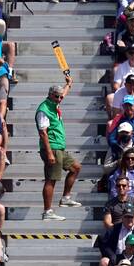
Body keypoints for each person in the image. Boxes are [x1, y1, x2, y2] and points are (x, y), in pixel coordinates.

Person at [38, 80, 81, 220]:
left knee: (75, 168)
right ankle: (47, 212)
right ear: (50, 95)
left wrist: (68, 85)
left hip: (59, 147)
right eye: (57, 96)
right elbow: (43, 133)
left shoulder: (54, 103)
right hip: (52, 147)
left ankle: (66, 198)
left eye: (61, 97)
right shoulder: (44, 110)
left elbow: (63, 93)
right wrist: (49, 153)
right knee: (51, 179)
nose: (60, 99)